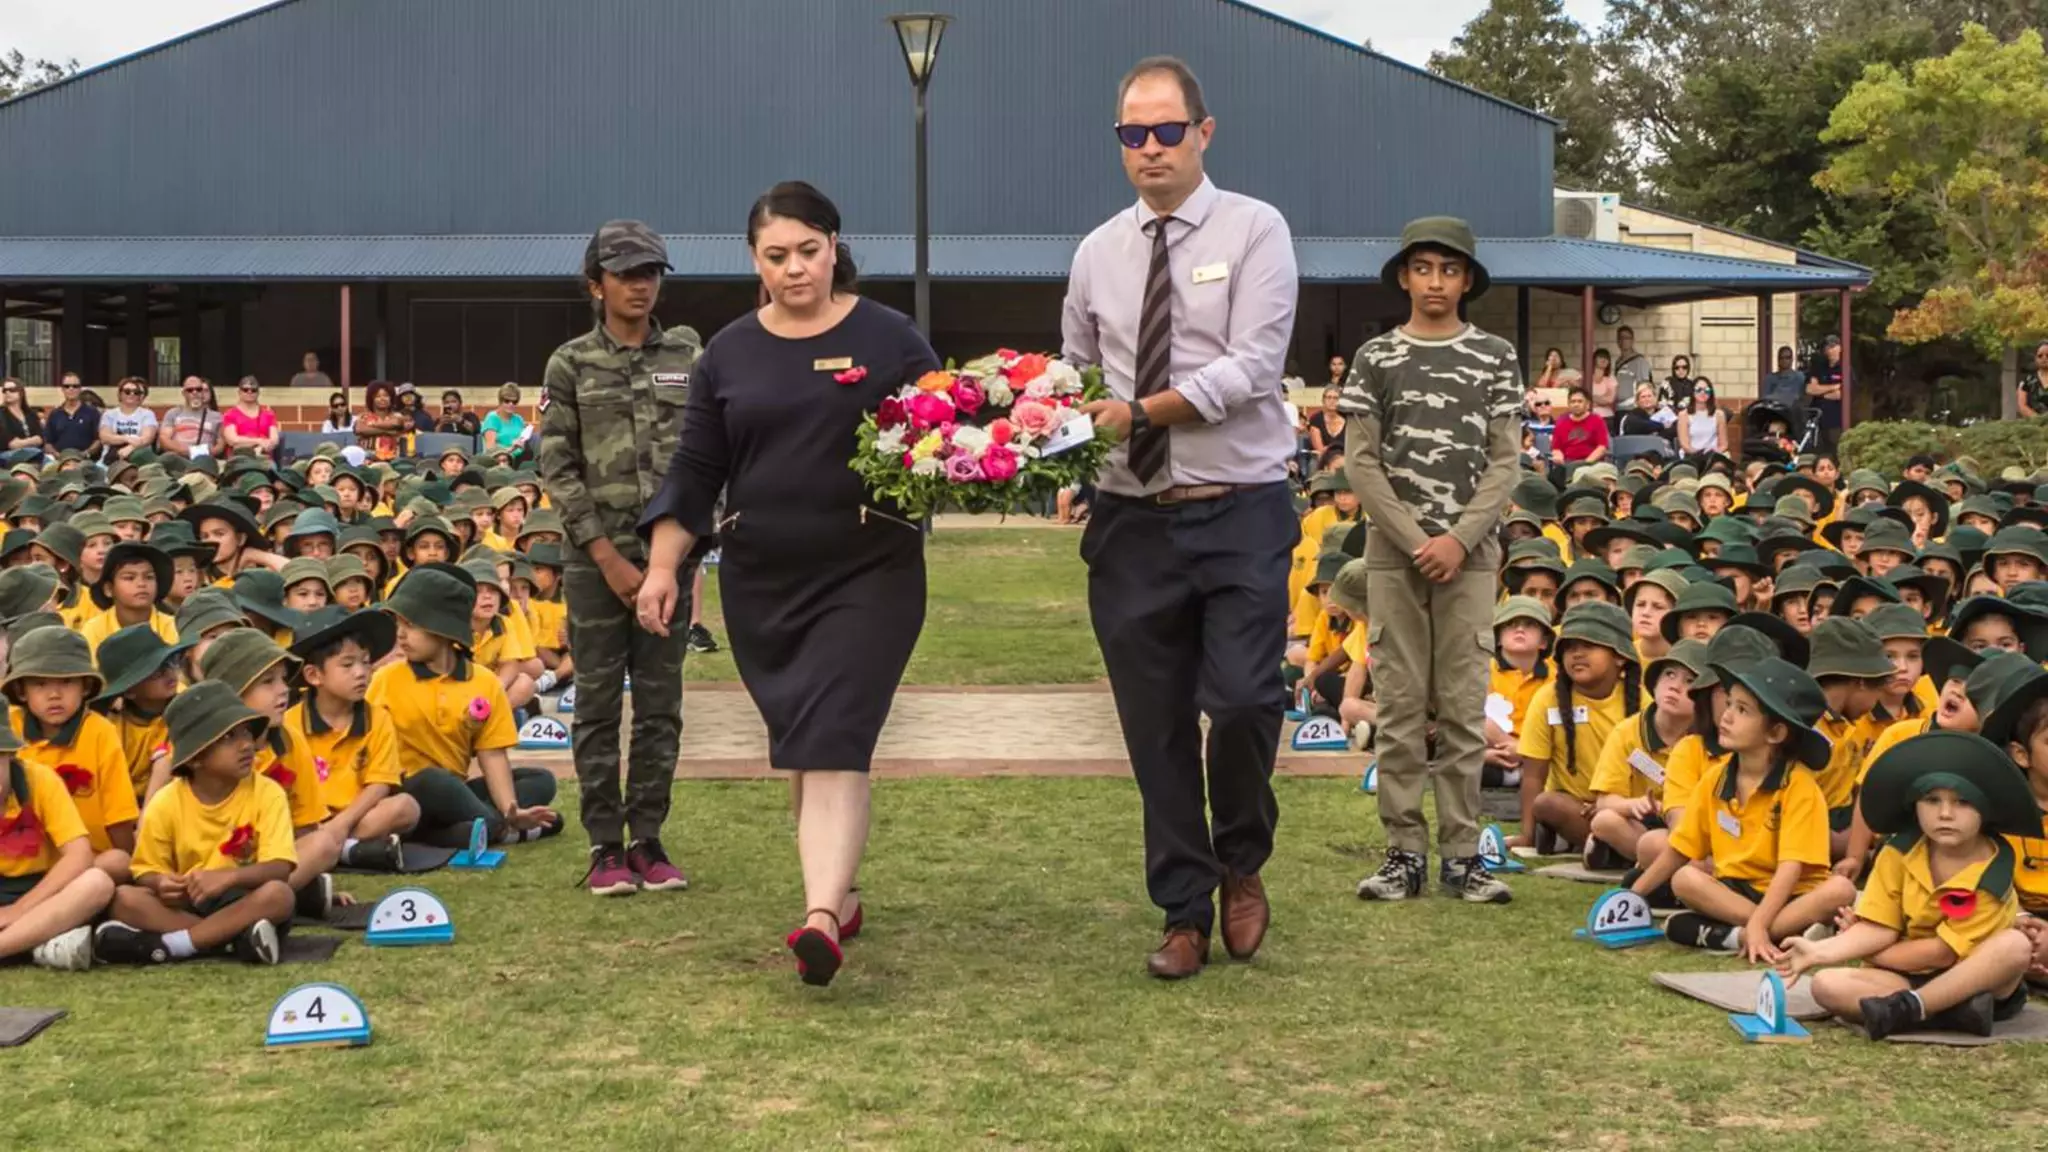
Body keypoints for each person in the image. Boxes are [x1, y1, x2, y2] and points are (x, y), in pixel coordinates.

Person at [638, 179, 940, 986]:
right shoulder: (729, 352)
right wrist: (665, 566)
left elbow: (948, 433)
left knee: (836, 731)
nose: (796, 269)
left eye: (809, 251)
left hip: (872, 571)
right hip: (764, 582)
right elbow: (697, 470)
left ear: (834, 247)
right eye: (777, 256)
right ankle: (838, 897)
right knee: (809, 743)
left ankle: (816, 920)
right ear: (754, 260)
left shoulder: (892, 337)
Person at [1045, 57, 1297, 979]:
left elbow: (1254, 367)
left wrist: (1142, 411)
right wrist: (1058, 436)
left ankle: (1242, 858)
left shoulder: (1256, 229)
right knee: (1152, 728)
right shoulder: (1096, 251)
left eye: (1165, 130)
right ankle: (1182, 910)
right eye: (1131, 134)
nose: (1148, 148)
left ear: (1204, 131)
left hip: (1241, 508)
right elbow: (1073, 372)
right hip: (1130, 517)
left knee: (1239, 702)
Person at [1345, 214, 1520, 907]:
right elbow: (1361, 462)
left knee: (1461, 702)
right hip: (1395, 555)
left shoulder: (1495, 356)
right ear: (1404, 277)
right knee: (1398, 704)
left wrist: (1458, 538)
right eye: (1423, 268)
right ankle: (1402, 854)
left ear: (1468, 280)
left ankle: (1462, 854)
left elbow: (1506, 462)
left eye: (1449, 270)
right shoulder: (1377, 358)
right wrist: (1417, 538)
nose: (1436, 282)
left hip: (1470, 558)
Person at [540, 219, 702, 902]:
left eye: (652, 272)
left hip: (672, 556)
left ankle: (650, 838)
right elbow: (558, 465)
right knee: (599, 704)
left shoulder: (690, 353)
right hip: (595, 561)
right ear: (594, 283)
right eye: (627, 272)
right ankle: (606, 844)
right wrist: (606, 557)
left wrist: (681, 546)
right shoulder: (571, 363)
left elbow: (705, 453)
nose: (642, 285)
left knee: (662, 704)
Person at [1782, 731, 2038, 1038]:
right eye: (1932, 800)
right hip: (1906, 978)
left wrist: (1875, 955)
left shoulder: (1992, 870)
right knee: (1826, 985)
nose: (1945, 814)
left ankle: (1914, 1009)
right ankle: (1954, 1013)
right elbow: (1880, 927)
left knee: (2014, 946)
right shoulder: (1897, 851)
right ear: (1914, 804)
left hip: (1975, 979)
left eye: (1963, 802)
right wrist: (1818, 951)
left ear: (1986, 810)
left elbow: (1941, 953)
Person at [1638, 657, 1857, 958]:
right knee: (1684, 879)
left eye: (1742, 710)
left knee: (1841, 890)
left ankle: (1737, 934)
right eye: (1729, 704)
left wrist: (1757, 924)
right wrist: (1631, 897)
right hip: (1736, 891)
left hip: (1794, 894)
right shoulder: (1715, 778)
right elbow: (1680, 849)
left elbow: (1789, 870)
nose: (1726, 716)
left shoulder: (1800, 787)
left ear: (1776, 733)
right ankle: (1780, 934)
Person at [91, 680, 296, 966]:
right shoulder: (165, 802)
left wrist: (228, 877)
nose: (246, 744)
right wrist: (162, 882)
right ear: (196, 758)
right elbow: (145, 869)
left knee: (279, 895)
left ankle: (175, 945)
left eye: (247, 732)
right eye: (228, 737)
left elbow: (280, 867)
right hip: (189, 903)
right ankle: (233, 940)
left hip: (242, 899)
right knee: (124, 898)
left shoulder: (267, 792)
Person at [367, 564, 561, 849]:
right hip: (404, 793)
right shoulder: (385, 680)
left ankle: (475, 829)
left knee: (542, 781)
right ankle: (499, 829)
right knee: (434, 781)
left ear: (443, 630)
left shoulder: (484, 682)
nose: (400, 635)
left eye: (410, 625)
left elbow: (492, 755)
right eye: (398, 624)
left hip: (456, 794)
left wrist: (511, 807)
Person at [286, 607, 417, 870]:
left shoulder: (377, 718)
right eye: (347, 665)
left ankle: (338, 848)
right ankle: (348, 851)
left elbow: (380, 784)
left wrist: (341, 824)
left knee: (406, 807)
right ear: (314, 675)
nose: (361, 673)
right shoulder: (290, 723)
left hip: (359, 817)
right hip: (305, 822)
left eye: (366, 662)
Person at [6, 626, 137, 877]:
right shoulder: (9, 727)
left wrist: (131, 869)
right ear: (21, 691)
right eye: (40, 684)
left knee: (118, 861)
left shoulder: (100, 732)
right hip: (21, 866)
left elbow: (119, 817)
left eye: (67, 681)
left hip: (87, 865)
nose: (54, 695)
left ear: (85, 686)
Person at [1514, 602, 1640, 857]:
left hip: (1631, 809)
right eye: (1570, 648)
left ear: (1620, 655)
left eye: (1589, 645)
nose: (1577, 654)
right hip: (1576, 808)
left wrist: (1616, 806)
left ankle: (1603, 848)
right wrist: (1526, 836)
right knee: (1548, 803)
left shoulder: (1644, 703)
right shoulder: (1547, 699)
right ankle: (1605, 847)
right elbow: (1533, 775)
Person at [0, 704, 113, 971]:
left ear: (10, 754)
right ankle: (37, 943)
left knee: (97, 882)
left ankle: (8, 945)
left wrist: (19, 910)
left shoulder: (40, 780)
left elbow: (79, 855)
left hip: (40, 890)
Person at [159, 377, 223, 460]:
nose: (195, 392)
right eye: (190, 390)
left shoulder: (216, 416)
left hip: (205, 459)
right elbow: (164, 439)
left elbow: (220, 445)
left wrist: (206, 454)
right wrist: (185, 451)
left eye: (199, 389)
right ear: (184, 393)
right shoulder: (173, 413)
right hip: (177, 457)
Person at [1549, 386, 1609, 473]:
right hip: (1567, 464)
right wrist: (1559, 457)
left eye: (1580, 401)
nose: (1576, 404)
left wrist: (1586, 464)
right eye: (1573, 402)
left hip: (1591, 464)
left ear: (1587, 404)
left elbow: (1602, 447)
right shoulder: (1561, 422)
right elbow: (1556, 448)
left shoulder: (1597, 420)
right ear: (1568, 404)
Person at [220, 377, 280, 458]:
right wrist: (259, 441)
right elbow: (232, 440)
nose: (249, 392)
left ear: (258, 393)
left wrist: (261, 447)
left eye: (253, 390)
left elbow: (274, 440)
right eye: (245, 389)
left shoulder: (268, 414)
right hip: (239, 459)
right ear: (239, 392)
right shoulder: (230, 414)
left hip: (264, 459)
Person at [43, 372, 100, 456]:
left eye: (75, 386)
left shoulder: (92, 412)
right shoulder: (55, 414)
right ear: (62, 389)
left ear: (80, 389)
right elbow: (47, 443)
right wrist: (57, 455)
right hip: (59, 461)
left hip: (85, 461)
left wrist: (86, 454)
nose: (71, 389)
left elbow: (98, 440)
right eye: (67, 386)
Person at [352, 380, 409, 460]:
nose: (382, 399)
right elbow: (359, 429)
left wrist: (372, 426)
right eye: (378, 396)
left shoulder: (397, 416)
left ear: (391, 398)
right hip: (368, 459)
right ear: (372, 399)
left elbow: (396, 423)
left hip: (393, 460)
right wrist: (387, 432)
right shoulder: (364, 416)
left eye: (386, 396)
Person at [1807, 336, 1846, 447]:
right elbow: (1810, 389)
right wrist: (1834, 387)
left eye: (1833, 347)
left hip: (1836, 422)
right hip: (1816, 420)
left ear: (1840, 348)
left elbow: (1840, 395)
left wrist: (1820, 392)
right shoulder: (1819, 368)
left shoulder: (1845, 369)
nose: (1830, 350)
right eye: (1827, 347)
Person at [1676, 378, 1726, 458]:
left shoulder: (1719, 414)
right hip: (1691, 455)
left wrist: (1714, 453)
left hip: (1713, 456)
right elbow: (1685, 445)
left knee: (1719, 466)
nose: (1702, 393)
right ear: (1692, 392)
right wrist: (1700, 455)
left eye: (1706, 390)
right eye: (1698, 390)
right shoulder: (1683, 415)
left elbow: (1724, 444)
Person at [480, 384, 529, 459]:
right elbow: (490, 450)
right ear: (500, 401)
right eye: (507, 401)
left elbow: (523, 442)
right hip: (500, 459)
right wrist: (511, 448)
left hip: (520, 457)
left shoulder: (519, 419)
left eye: (514, 402)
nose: (511, 404)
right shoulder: (492, 418)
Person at [1612, 324, 1654, 408]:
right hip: (1619, 408)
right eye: (1621, 338)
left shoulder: (1640, 362)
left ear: (1632, 340)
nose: (1623, 341)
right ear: (1617, 341)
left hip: (1633, 408)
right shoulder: (1618, 362)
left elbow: (1644, 386)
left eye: (1627, 338)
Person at [0, 377, 44, 453]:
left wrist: (22, 442)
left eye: (12, 390)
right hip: (8, 456)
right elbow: (12, 445)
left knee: (51, 461)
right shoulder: (2, 415)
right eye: (4, 390)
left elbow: (41, 439)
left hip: (33, 453)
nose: (7, 392)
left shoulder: (31, 414)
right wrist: (33, 440)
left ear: (21, 392)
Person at [1306, 386, 1346, 457]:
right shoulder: (1316, 419)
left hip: (1344, 458)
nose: (1332, 401)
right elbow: (1319, 449)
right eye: (1329, 397)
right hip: (1322, 459)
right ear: (1323, 400)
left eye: (1335, 398)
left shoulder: (1347, 419)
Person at [1585, 349, 1619, 422]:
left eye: (1606, 358)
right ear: (1594, 360)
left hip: (1607, 417)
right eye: (1600, 357)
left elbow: (1610, 399)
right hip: (1588, 416)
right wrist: (1602, 398)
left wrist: (1592, 397)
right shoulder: (1587, 377)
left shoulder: (1611, 378)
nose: (1603, 359)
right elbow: (1583, 398)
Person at [2019, 340, 2048, 419]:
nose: (2044, 358)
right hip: (2034, 425)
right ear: (2035, 358)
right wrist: (2039, 420)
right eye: (2040, 355)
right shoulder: (2027, 381)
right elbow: (2022, 405)